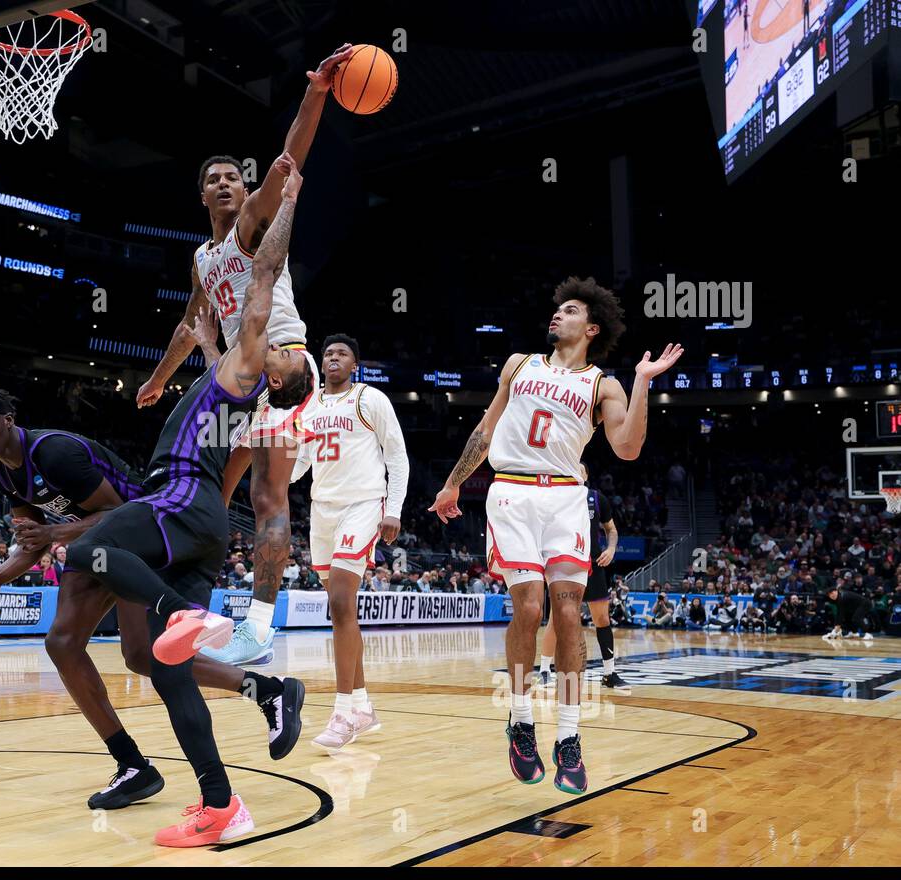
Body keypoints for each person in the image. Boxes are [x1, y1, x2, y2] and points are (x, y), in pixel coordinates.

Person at [61, 156, 308, 845]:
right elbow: (201, 325)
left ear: (279, 376)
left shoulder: (252, 361)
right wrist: (165, 372)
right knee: (160, 667)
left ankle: (190, 613)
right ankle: (224, 800)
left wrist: (288, 196)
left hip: (183, 502)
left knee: (92, 550)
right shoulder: (223, 365)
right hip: (200, 521)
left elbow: (262, 275)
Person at [0, 384, 302, 814]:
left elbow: (117, 513)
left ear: (8, 420)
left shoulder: (55, 452)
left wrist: (56, 534)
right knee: (82, 646)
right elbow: (33, 541)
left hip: (143, 536)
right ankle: (144, 757)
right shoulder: (6, 473)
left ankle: (251, 695)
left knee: (145, 656)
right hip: (94, 551)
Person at [137, 44, 356, 667]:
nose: (227, 183)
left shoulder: (253, 224)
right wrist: (157, 383)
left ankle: (260, 627)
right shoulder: (205, 258)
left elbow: (291, 162)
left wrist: (315, 92)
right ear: (203, 195)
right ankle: (194, 602)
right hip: (239, 382)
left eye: (235, 175)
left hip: (283, 364)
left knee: (268, 496)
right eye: (215, 178)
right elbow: (188, 326)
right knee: (209, 489)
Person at [431, 276, 682, 795]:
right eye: (557, 309)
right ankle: (520, 720)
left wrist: (642, 382)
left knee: (569, 614)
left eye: (568, 311)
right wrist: (454, 483)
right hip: (513, 493)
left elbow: (628, 447)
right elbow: (484, 429)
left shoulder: (604, 385)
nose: (556, 315)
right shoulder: (519, 364)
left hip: (567, 498)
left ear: (590, 328)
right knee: (527, 609)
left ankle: (569, 736)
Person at [287, 333, 408, 750]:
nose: (332, 358)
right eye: (327, 353)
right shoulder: (311, 405)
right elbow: (303, 459)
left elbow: (397, 456)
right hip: (323, 510)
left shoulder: (369, 398)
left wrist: (393, 508)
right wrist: (274, 481)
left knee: (340, 602)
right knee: (341, 611)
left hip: (362, 504)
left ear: (354, 364)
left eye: (341, 354)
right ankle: (363, 705)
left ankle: (341, 713)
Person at [536, 463, 626, 694]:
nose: (575, 472)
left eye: (579, 469)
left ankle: (609, 673)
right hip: (564, 565)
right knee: (557, 619)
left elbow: (611, 529)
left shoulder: (596, 499)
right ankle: (545, 670)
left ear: (585, 474)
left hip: (593, 564)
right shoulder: (555, 498)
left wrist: (611, 549)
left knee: (602, 619)